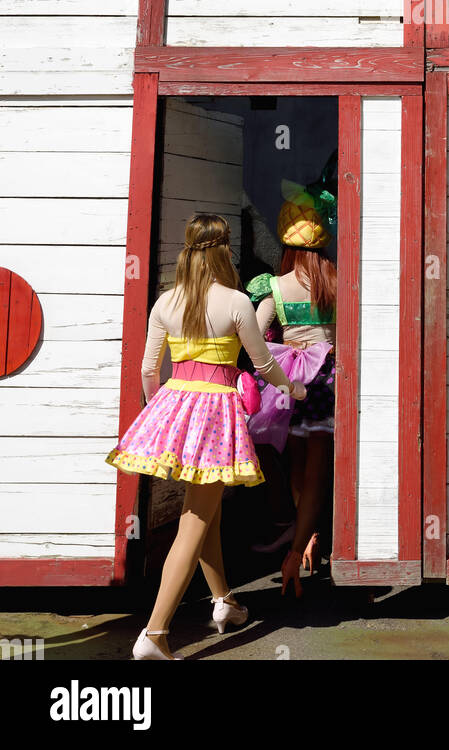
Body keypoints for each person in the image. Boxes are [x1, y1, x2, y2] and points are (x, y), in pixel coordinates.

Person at [106, 213, 305, 661]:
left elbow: (146, 371)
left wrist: (163, 414)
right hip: (215, 414)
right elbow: (263, 365)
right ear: (223, 250)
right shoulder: (235, 301)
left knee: (206, 513)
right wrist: (293, 386)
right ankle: (154, 634)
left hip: (174, 408)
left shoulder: (165, 301)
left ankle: (224, 603)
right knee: (194, 522)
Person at [246, 179, 337, 598]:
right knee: (320, 467)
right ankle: (311, 537)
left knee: (297, 466)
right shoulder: (338, 280)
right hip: (328, 379)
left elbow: (258, 332)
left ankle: (303, 537)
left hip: (289, 381)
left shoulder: (274, 287)